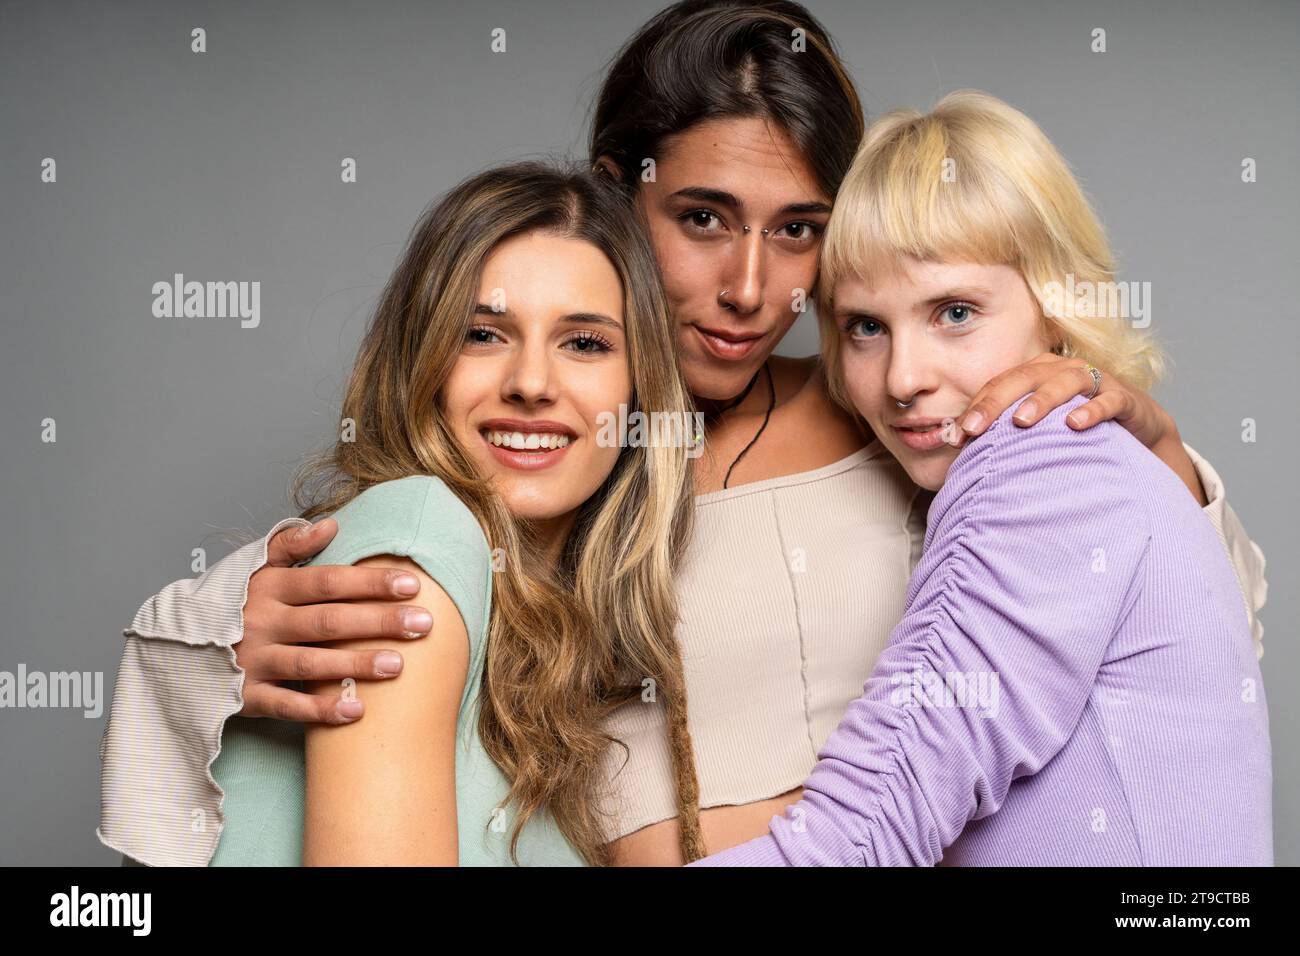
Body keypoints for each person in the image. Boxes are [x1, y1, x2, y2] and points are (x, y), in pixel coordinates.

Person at [98, 1, 1266, 867]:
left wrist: (1152, 449)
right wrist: (240, 615)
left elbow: (1169, 629)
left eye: (799, 231)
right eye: (702, 219)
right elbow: (388, 556)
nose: (751, 286)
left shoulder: (907, 415)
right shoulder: (546, 456)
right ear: (617, 195)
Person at [695, 91, 1272, 866]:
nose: (903, 377)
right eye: (865, 327)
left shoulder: (1037, 460)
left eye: (955, 312)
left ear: (1058, 307)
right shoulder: (1099, 463)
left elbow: (861, 834)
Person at [115, 162, 704, 866]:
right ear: (419, 361)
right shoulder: (419, 539)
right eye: (482, 334)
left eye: (584, 343)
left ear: (639, 391)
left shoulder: (532, 641)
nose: (532, 384)